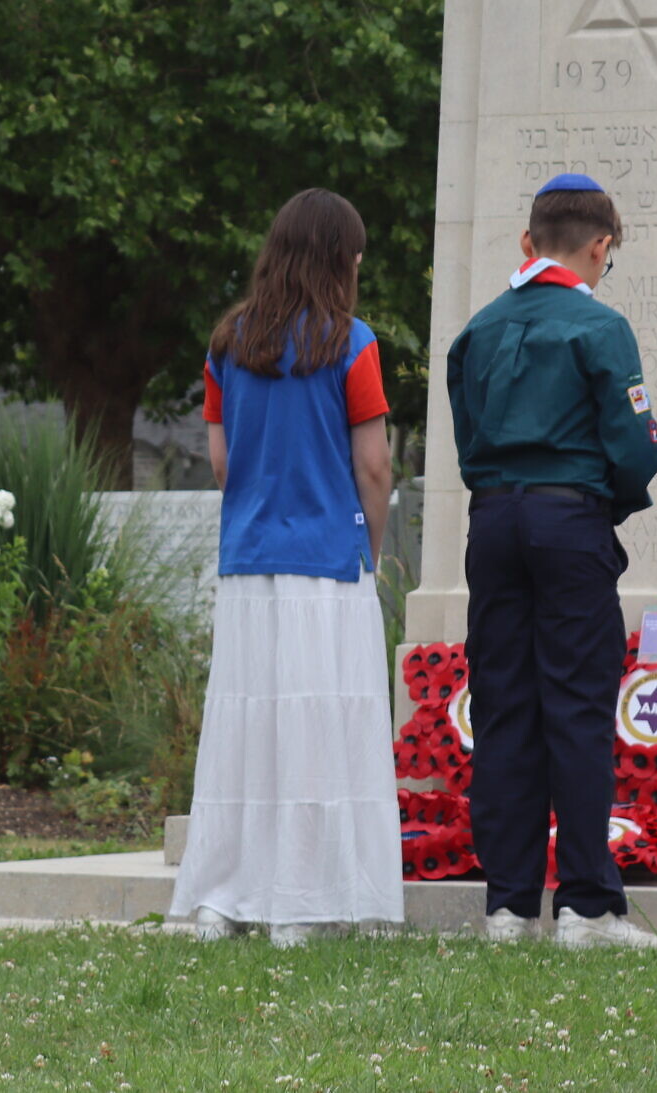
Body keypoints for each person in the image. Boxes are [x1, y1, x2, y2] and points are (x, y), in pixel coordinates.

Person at [168, 188, 405, 947]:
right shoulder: (353, 342)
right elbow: (373, 465)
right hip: (326, 564)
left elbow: (220, 460)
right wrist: (371, 547)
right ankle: (303, 907)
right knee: (322, 726)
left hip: (247, 562)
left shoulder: (227, 342)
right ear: (339, 258)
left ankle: (220, 900)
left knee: (245, 728)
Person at [446, 173, 657, 949]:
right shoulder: (598, 327)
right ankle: (586, 905)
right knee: (575, 708)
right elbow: (636, 451)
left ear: (527, 243)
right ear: (600, 248)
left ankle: (507, 907)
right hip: (567, 523)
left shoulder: (475, 330)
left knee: (505, 707)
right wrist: (604, 498)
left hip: (495, 521)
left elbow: (469, 442)